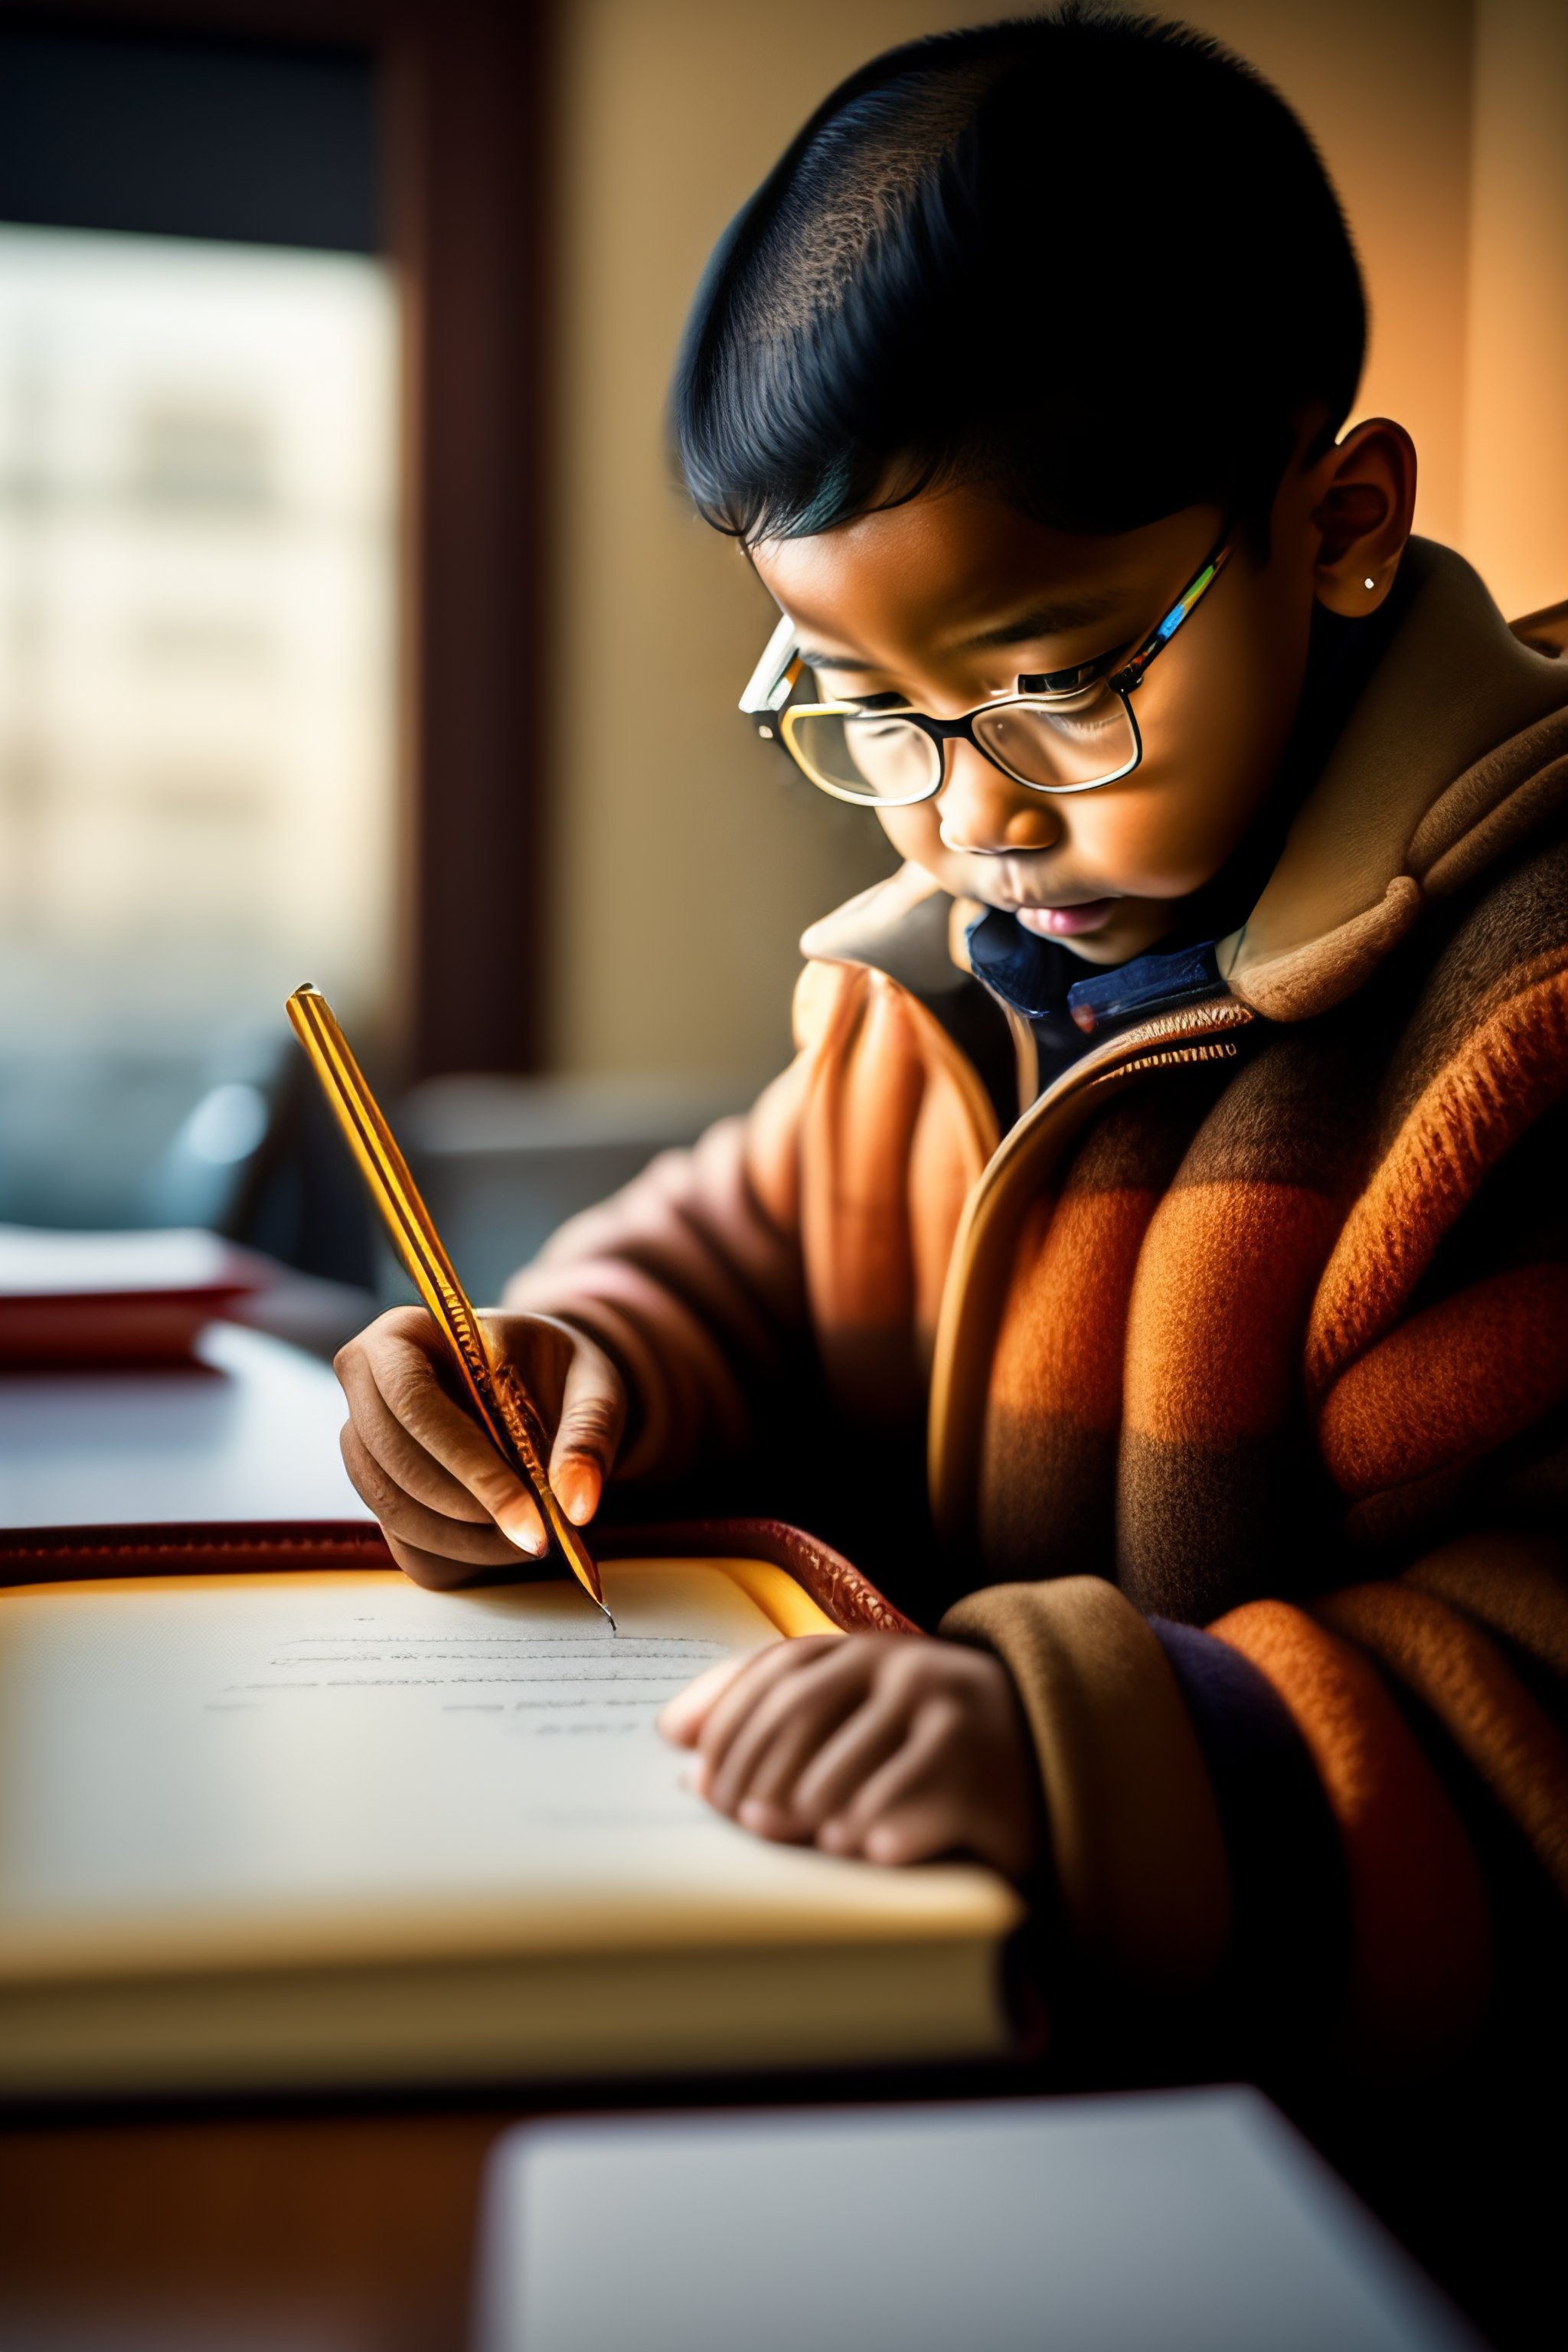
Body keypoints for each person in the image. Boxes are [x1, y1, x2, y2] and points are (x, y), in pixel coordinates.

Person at [334, 9, 1568, 2086]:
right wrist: (569, 1363)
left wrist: (1068, 1748)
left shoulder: (1510, 1025)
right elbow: (753, 1239)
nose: (968, 818)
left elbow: (1538, 1679)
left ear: (1343, 519)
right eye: (861, 704)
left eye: (1060, 684)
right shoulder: (939, 975)